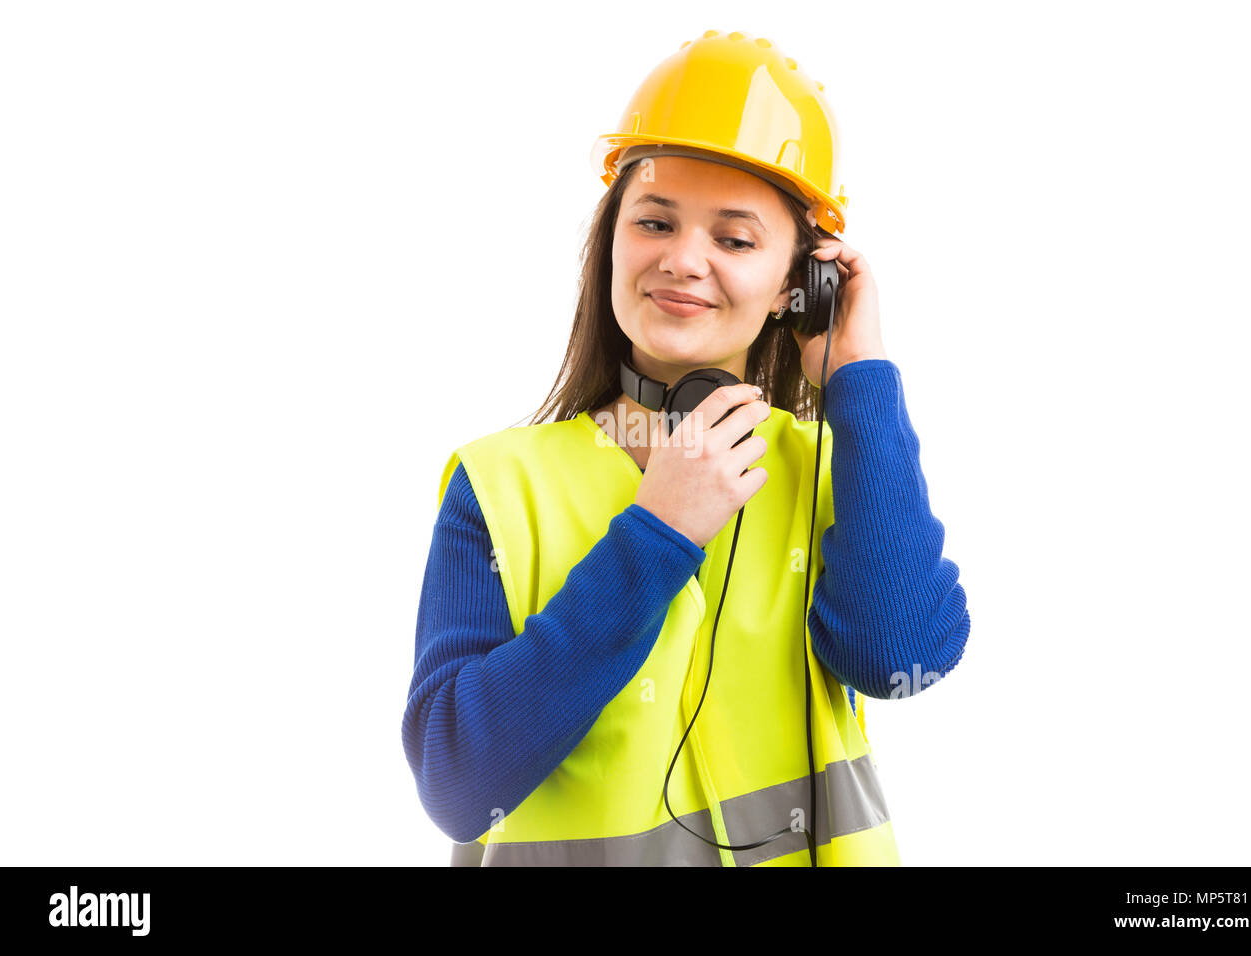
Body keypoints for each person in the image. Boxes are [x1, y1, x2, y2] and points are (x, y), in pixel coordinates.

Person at [402, 30, 971, 867]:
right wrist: (656, 535)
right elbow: (458, 783)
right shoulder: (499, 486)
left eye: (735, 239)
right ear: (611, 243)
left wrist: (863, 380)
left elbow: (898, 660)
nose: (682, 260)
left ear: (797, 285)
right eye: (654, 222)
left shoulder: (832, 465)